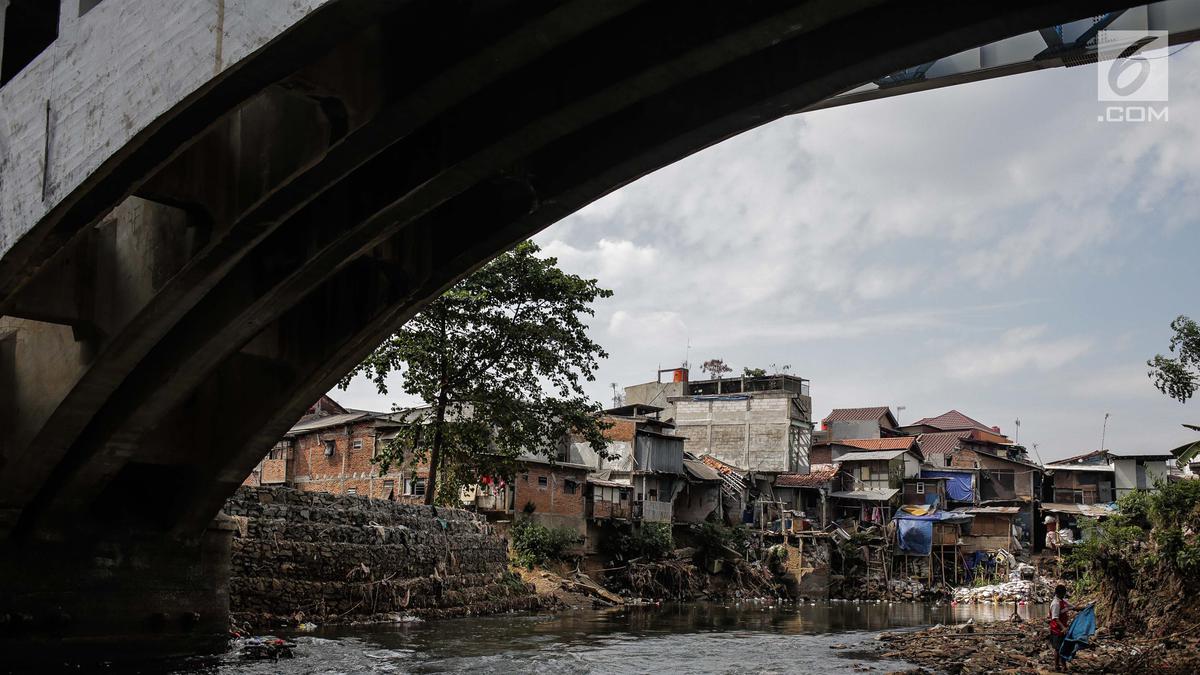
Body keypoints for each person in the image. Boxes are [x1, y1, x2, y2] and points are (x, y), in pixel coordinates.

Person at [1049, 584, 1073, 671]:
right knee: (1058, 648)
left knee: (1063, 647)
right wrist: (1063, 628)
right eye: (1064, 593)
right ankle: (1057, 666)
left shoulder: (1063, 601)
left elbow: (1073, 607)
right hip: (1056, 630)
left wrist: (1085, 608)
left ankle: (1063, 666)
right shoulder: (1055, 604)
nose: (1064, 595)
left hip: (1063, 629)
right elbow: (1055, 618)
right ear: (1060, 593)